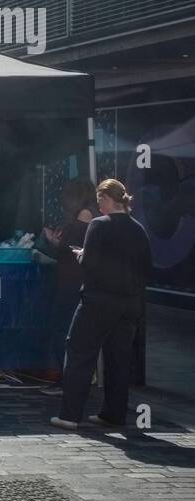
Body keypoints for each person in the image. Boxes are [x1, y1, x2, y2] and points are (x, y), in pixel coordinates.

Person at [50, 180, 152, 431]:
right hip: (129, 303)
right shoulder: (139, 229)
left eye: (99, 199)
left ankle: (70, 415)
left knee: (79, 353)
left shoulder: (98, 224)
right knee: (119, 359)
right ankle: (113, 414)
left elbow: (90, 264)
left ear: (107, 199)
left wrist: (81, 254)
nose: (98, 204)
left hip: (98, 300)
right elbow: (147, 266)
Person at [40, 178, 98, 392]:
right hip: (79, 279)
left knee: (63, 329)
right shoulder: (93, 213)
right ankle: (76, 377)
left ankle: (67, 379)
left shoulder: (85, 215)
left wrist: (52, 240)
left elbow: (72, 247)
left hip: (72, 280)